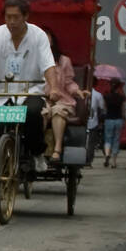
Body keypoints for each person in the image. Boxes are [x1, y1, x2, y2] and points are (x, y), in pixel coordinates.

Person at [0, 0, 60, 194]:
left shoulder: (38, 35)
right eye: (8, 17)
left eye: (16, 17)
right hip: (3, 93)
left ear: (26, 17)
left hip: (30, 91)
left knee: (32, 113)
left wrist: (53, 87)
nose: (11, 22)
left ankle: (37, 153)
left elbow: (48, 64)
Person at [41, 29, 89, 166]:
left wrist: (77, 91)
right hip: (42, 99)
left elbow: (69, 82)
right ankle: (36, 149)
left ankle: (57, 148)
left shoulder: (63, 61)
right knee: (40, 112)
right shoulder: (33, 59)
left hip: (61, 100)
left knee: (57, 111)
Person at [103, 79, 126, 167]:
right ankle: (114, 162)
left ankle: (107, 155)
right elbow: (123, 111)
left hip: (109, 119)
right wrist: (125, 120)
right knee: (116, 140)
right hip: (118, 120)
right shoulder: (121, 97)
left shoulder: (106, 96)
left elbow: (104, 108)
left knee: (108, 139)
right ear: (118, 87)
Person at [86, 86, 105, 166]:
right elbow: (101, 108)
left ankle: (87, 159)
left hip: (85, 122)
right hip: (93, 122)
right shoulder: (98, 95)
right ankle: (88, 161)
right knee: (91, 143)